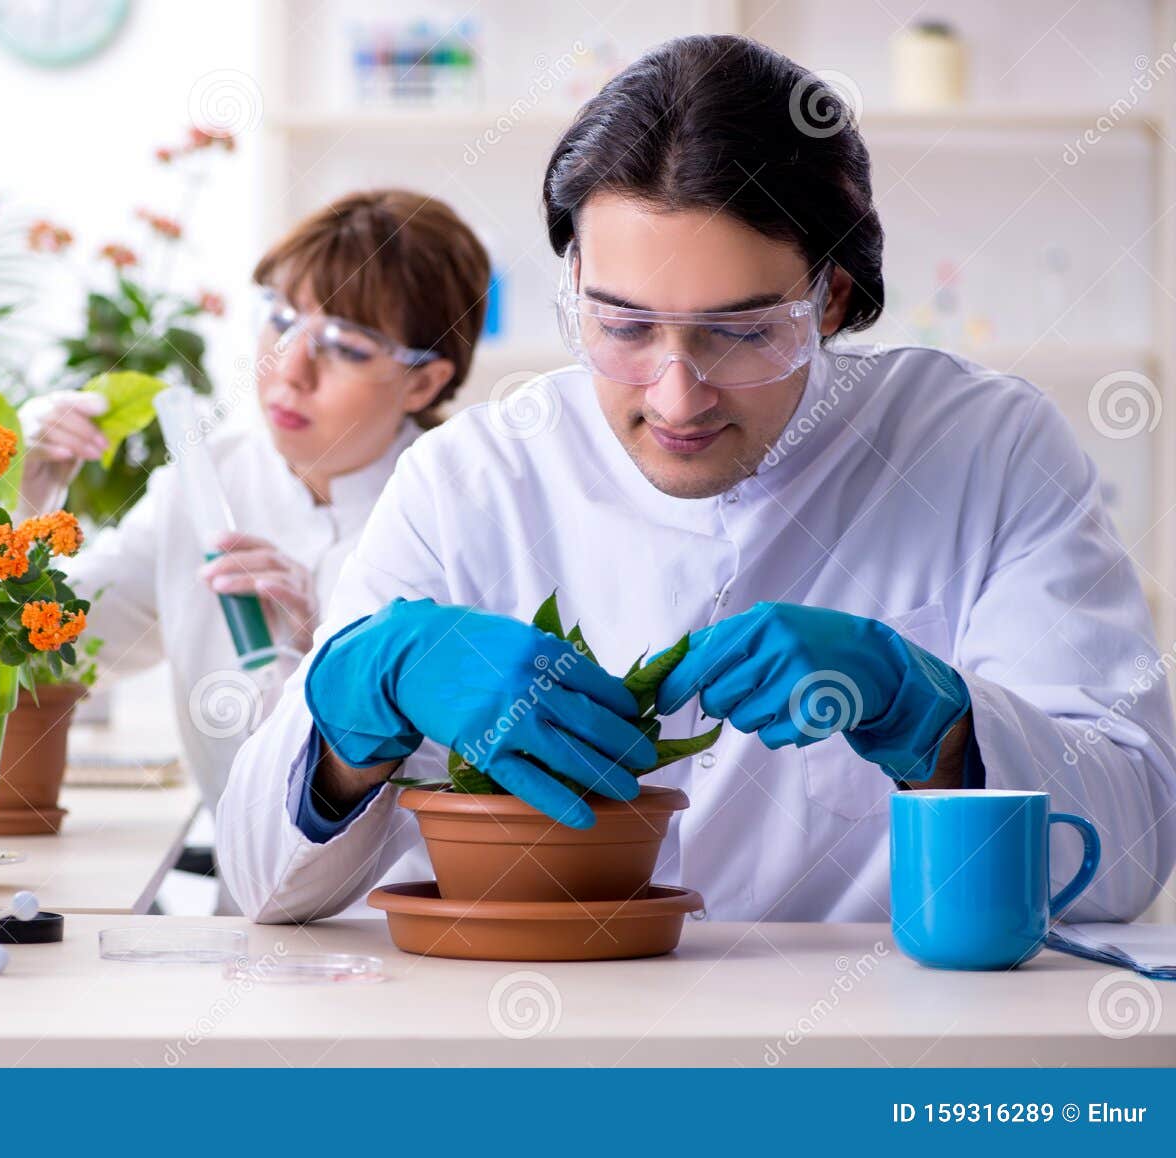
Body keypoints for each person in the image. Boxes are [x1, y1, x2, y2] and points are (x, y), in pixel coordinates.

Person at [216, 35, 1176, 924]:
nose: (676, 398)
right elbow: (262, 886)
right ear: (574, 282)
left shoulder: (984, 447)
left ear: (831, 296)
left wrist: (942, 724)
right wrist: (359, 702)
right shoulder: (472, 479)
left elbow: (1130, 854)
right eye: (624, 327)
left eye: (743, 332)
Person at [17, 190, 489, 906]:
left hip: (417, 926)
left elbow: (474, 775)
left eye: (345, 347)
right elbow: (50, 648)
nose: (290, 369)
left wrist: (325, 652)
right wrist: (24, 496)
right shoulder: (205, 485)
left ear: (425, 379)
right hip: (250, 925)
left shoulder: (466, 515)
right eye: (281, 320)